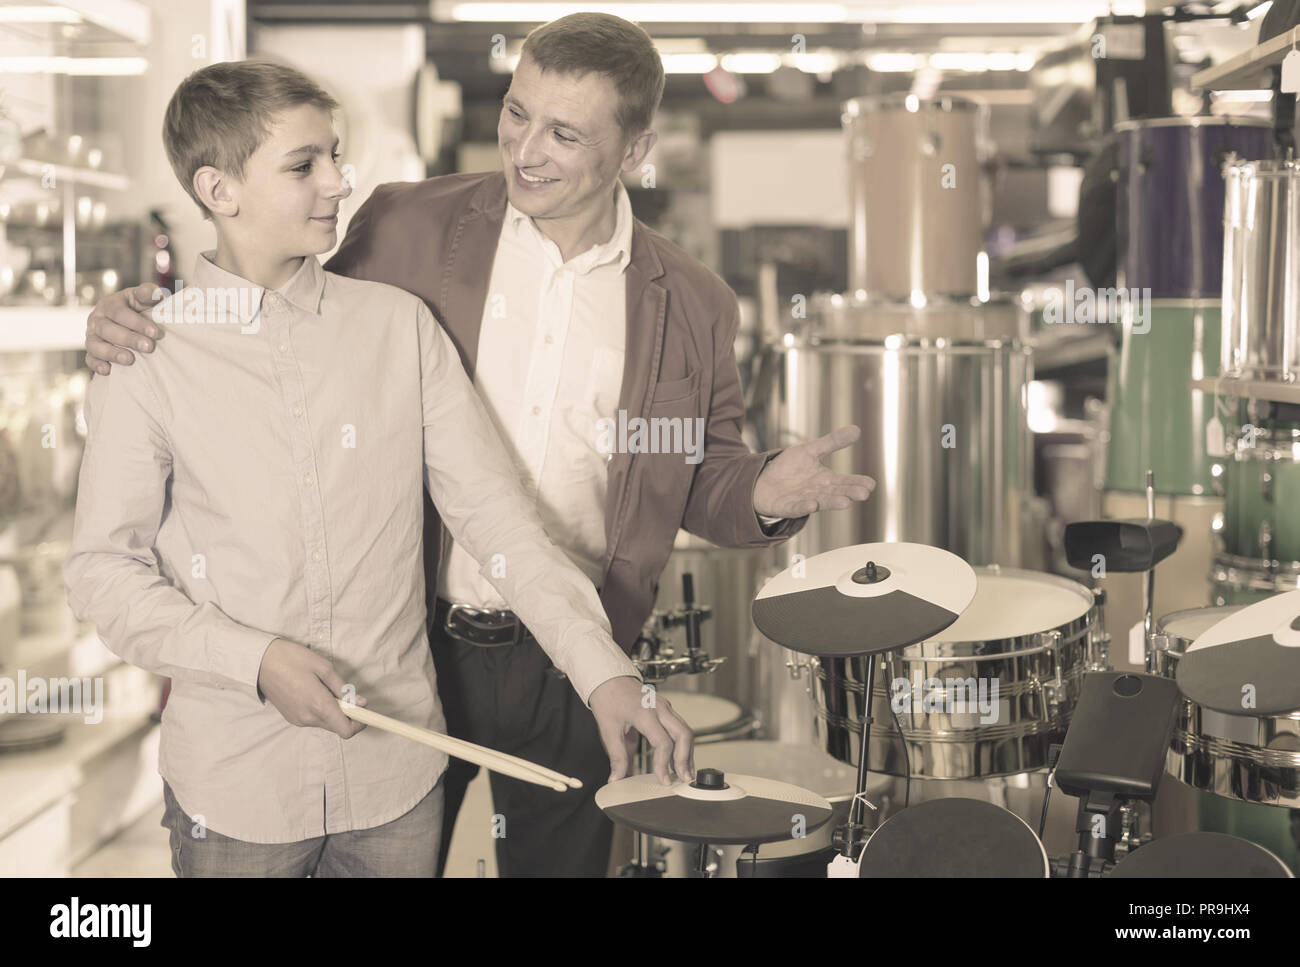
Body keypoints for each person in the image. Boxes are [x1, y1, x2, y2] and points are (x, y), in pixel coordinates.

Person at [82, 14, 874, 877]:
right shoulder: (405, 231)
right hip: (410, 647)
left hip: (569, 640)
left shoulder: (686, 301)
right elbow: (258, 288)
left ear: (634, 147)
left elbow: (665, 476)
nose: (526, 149)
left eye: (564, 133)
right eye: (516, 112)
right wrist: (141, 313)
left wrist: (755, 494)